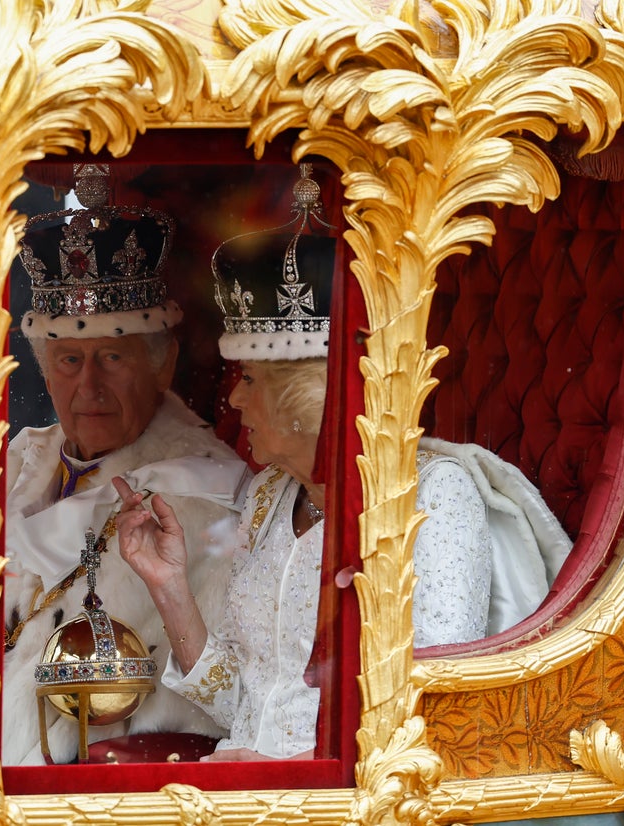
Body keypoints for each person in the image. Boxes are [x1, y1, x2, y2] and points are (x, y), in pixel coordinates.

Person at [114, 164, 572, 761]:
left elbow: (426, 712)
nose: (234, 399)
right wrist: (168, 584)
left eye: (250, 379)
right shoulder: (267, 498)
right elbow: (248, 707)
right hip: (246, 787)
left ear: (308, 397)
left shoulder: (430, 495)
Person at [0, 164, 251, 765]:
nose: (89, 386)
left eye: (112, 357)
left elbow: (224, 704)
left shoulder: (209, 494)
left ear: (163, 366)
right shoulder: (13, 463)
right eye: (67, 362)